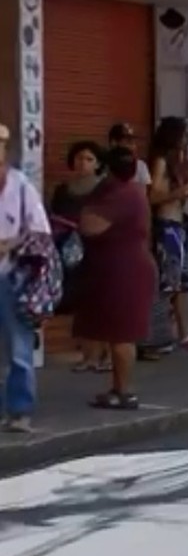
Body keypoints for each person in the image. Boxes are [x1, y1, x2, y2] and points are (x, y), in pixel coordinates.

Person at [74, 146, 156, 412]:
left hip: (126, 270)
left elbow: (90, 225)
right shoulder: (115, 190)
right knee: (113, 331)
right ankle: (117, 388)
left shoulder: (124, 194)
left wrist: (81, 215)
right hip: (111, 268)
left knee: (122, 333)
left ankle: (124, 392)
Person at [0, 124, 52, 432]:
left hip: (12, 278)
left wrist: (9, 244)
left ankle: (19, 411)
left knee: (19, 348)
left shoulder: (20, 187)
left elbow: (40, 231)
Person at [147, 116, 188, 354]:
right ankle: (161, 335)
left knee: (183, 282)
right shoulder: (161, 162)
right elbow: (153, 197)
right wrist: (182, 190)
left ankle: (185, 334)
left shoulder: (180, 162)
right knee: (167, 283)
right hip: (166, 225)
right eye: (185, 135)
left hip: (181, 224)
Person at [50, 141, 104, 360]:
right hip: (67, 250)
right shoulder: (63, 189)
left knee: (98, 300)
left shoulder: (103, 188)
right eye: (80, 158)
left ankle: (100, 352)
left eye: (89, 159)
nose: (83, 163)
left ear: (98, 163)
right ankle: (81, 349)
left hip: (95, 249)